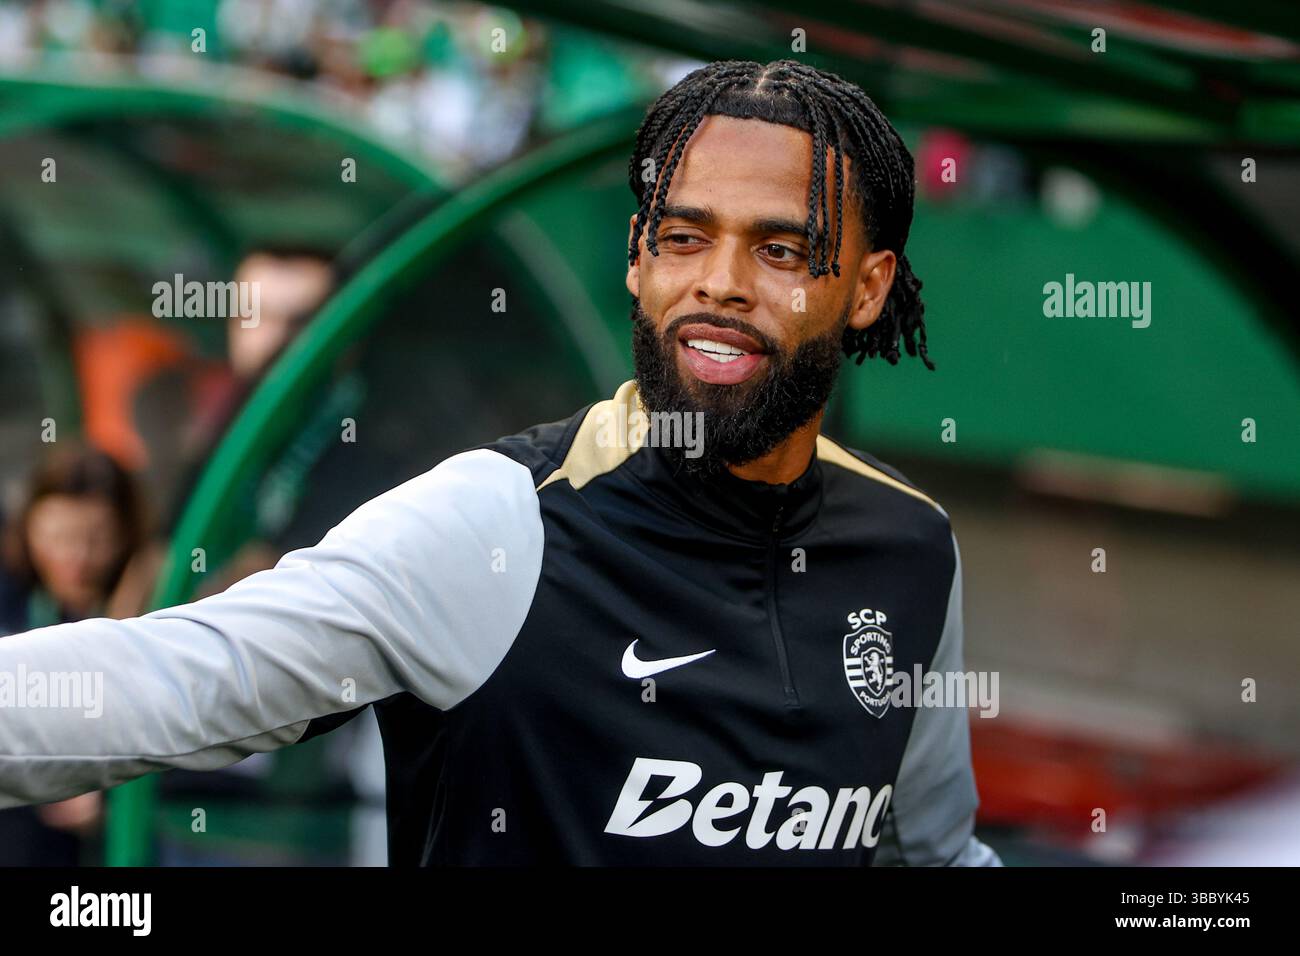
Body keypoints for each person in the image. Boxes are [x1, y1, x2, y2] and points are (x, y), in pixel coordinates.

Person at [0, 59, 999, 865]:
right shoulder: (500, 521)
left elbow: (928, 849)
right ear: (637, 259)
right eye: (684, 237)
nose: (720, 283)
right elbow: (171, 676)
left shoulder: (910, 548)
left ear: (867, 288)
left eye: (782, 251)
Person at [0, 444, 147, 865]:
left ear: (126, 535)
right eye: (58, 538)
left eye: (97, 540)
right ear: (29, 527)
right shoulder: (11, 599)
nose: (76, 559)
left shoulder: (153, 603)